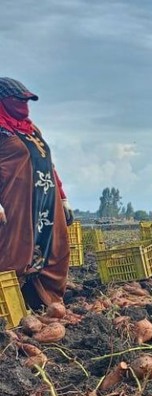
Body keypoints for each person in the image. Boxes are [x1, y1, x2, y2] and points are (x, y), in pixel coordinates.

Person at [0, 77, 73, 308]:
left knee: (55, 248)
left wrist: (62, 197)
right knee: (15, 250)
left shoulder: (31, 129)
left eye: (27, 101)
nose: (25, 107)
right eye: (18, 101)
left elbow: (48, 164)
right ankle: (8, 307)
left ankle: (43, 304)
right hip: (15, 202)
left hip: (45, 200)